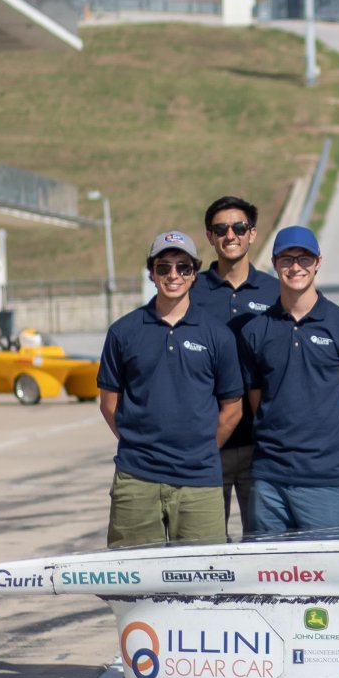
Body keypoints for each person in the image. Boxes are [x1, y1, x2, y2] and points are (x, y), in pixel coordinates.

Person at [96, 231, 244, 548]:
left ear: (194, 273)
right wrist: (139, 446)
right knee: (134, 578)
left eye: (183, 267)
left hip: (199, 480)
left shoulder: (218, 335)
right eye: (164, 267)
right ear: (151, 273)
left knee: (205, 577)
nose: (173, 275)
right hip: (137, 478)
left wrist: (201, 448)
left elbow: (233, 408)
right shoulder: (123, 332)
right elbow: (109, 404)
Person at [237, 226, 339, 538]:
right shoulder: (255, 332)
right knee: (269, 576)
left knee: (332, 577)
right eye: (287, 259)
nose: (295, 267)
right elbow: (259, 400)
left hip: (326, 478)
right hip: (269, 476)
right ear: (274, 264)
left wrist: (329, 441)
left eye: (304, 259)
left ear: (318, 262)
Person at [190, 195, 278, 537]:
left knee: (264, 543)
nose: (231, 235)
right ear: (210, 236)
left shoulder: (276, 291)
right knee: (206, 546)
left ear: (252, 233)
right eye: (221, 229)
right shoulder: (191, 291)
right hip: (208, 444)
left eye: (239, 227)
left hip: (262, 446)